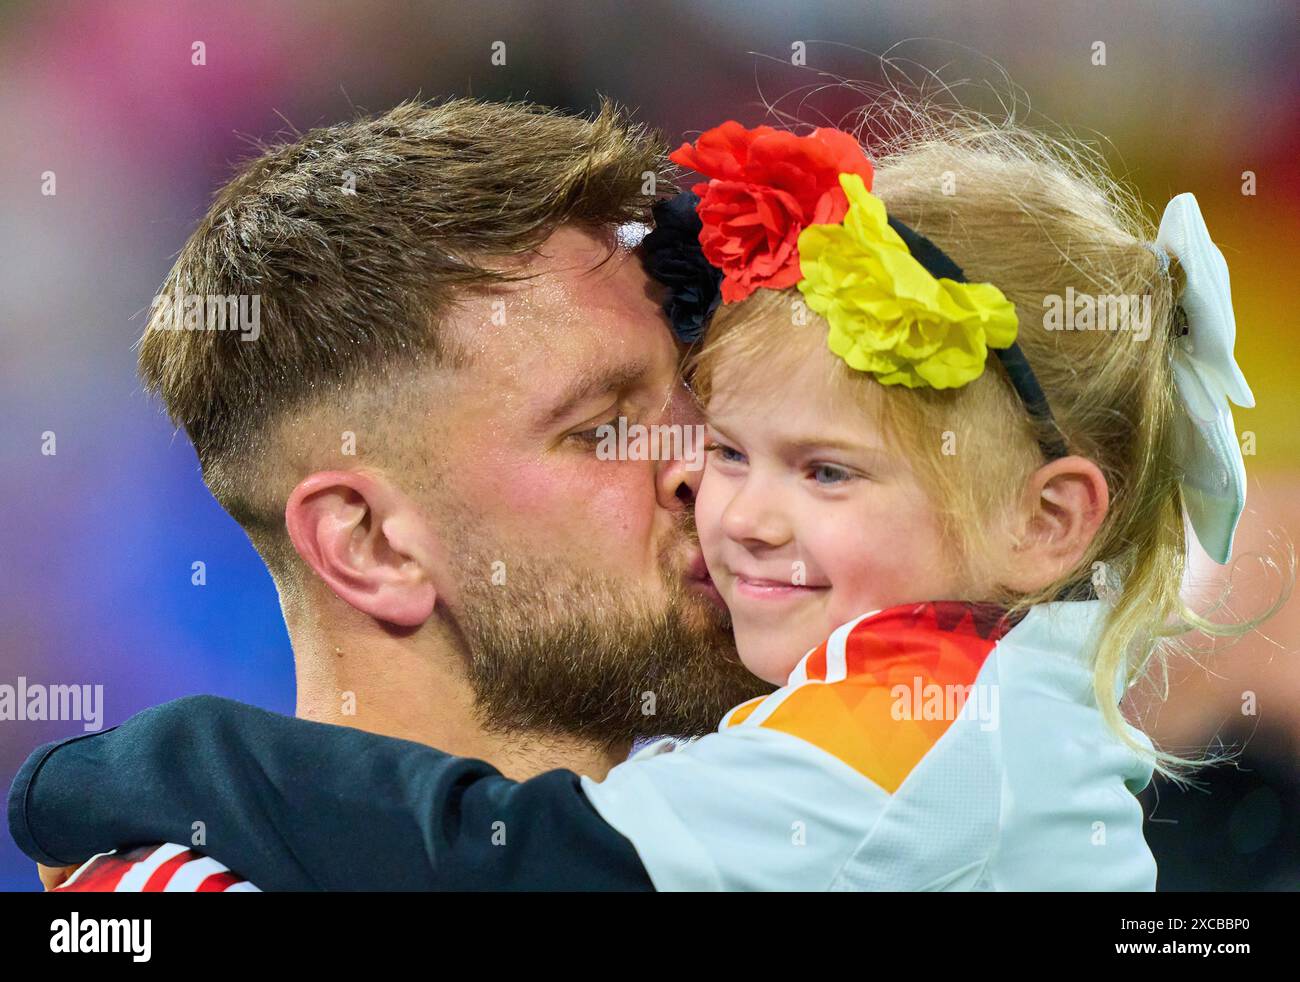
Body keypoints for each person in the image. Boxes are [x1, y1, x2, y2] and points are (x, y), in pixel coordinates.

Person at [12, 110, 1282, 891]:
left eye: (705, 413)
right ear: (368, 540)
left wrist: (179, 757)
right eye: (602, 425)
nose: (709, 479)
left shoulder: (886, 742)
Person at [9, 98, 771, 891]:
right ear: (369, 543)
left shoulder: (803, 814)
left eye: (698, 395)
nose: (709, 463)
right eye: (602, 427)